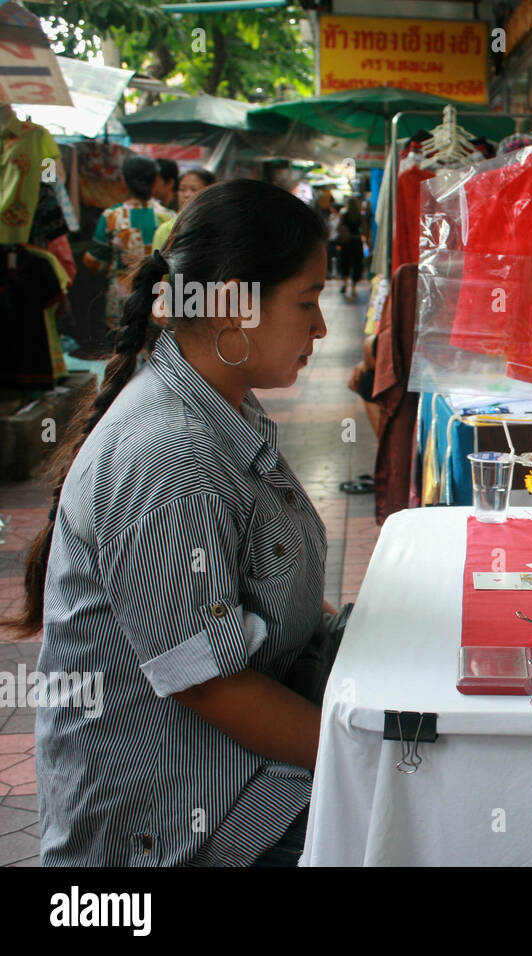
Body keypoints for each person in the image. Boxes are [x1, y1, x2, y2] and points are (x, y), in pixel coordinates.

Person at [5, 180, 333, 866]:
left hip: (240, 777)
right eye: (307, 302)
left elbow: (261, 589)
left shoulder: (224, 410)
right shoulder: (170, 459)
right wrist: (370, 745)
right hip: (187, 830)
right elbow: (208, 682)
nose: (322, 327)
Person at [82, 155, 174, 329]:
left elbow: (94, 261)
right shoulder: (169, 217)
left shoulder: (112, 217)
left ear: (123, 181)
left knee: (122, 346)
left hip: (121, 299)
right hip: (158, 297)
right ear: (155, 181)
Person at [151, 168, 216, 250]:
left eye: (194, 189)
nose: (186, 195)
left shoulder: (217, 227)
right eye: (182, 189)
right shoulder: (165, 230)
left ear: (209, 192)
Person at [336, 195, 367, 299]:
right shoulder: (360, 216)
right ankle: (353, 288)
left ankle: (345, 284)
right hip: (356, 241)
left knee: (345, 263)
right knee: (356, 263)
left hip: (347, 242)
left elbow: (338, 227)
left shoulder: (344, 215)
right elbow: (365, 230)